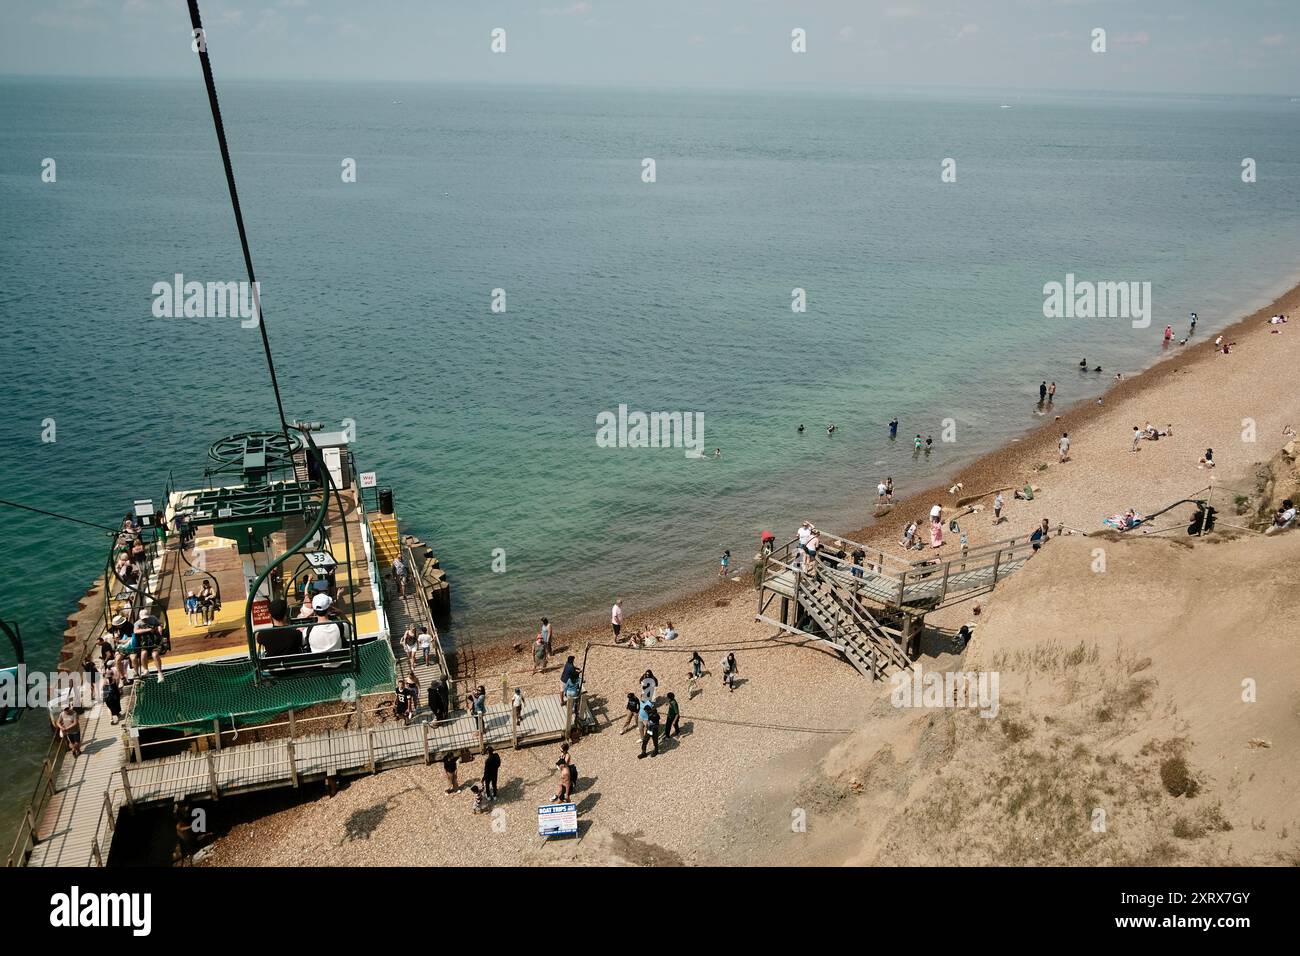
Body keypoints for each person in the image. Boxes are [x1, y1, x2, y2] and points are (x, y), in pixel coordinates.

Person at [306, 594, 344, 659]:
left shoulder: (308, 630)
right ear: (329, 608)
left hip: (318, 667)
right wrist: (342, 614)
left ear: (314, 610)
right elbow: (352, 629)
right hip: (339, 665)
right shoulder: (339, 625)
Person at [134, 608, 164, 682]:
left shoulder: (153, 618)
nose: (145, 620)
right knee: (143, 654)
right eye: (143, 619)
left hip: (154, 642)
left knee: (155, 655)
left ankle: (160, 673)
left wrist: (160, 627)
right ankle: (146, 670)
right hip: (145, 643)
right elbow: (135, 631)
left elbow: (159, 624)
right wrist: (147, 630)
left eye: (146, 618)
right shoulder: (138, 623)